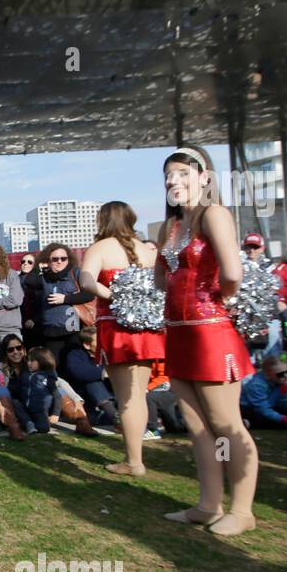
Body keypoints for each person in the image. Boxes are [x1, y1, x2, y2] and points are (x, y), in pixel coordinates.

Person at [156, 145, 258, 536]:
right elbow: (160, 278)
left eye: (182, 173)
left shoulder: (214, 214)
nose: (173, 181)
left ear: (204, 177)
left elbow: (233, 271)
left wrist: (214, 299)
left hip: (211, 332)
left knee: (225, 423)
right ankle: (208, 503)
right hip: (178, 333)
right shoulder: (171, 226)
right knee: (197, 425)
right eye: (168, 175)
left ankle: (243, 509)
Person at [79, 200, 166, 475]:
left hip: (119, 329)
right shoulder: (146, 249)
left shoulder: (100, 248)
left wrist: (113, 295)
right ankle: (135, 456)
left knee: (126, 395)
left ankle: (134, 461)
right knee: (138, 394)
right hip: (148, 329)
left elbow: (86, 281)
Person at [37, 243, 95, 364]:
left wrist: (65, 299)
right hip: (50, 329)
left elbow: (89, 294)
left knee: (73, 365)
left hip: (72, 328)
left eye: (63, 258)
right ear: (48, 260)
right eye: (55, 259)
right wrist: (39, 267)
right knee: (55, 367)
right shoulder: (44, 276)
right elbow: (29, 281)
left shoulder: (75, 273)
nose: (59, 261)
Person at [62, 327, 119, 425]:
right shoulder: (75, 355)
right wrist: (103, 372)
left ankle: (114, 416)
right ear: (87, 345)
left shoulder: (109, 353)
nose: (103, 343)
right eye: (99, 341)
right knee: (92, 382)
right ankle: (116, 418)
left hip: (112, 395)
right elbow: (78, 372)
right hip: (87, 398)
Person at [241, 356, 287, 429]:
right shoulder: (256, 384)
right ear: (267, 375)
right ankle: (252, 423)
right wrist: (284, 418)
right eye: (280, 374)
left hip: (269, 406)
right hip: (251, 408)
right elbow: (262, 409)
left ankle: (252, 423)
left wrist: (285, 393)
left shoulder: (281, 381)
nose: (286, 376)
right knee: (260, 416)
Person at [145, 358, 186, 436]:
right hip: (161, 388)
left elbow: (164, 377)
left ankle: (152, 430)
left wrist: (147, 388)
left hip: (169, 388)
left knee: (149, 397)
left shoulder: (160, 354)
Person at [18, 252, 44, 347]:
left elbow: (44, 304)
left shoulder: (41, 281)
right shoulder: (15, 280)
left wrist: (34, 320)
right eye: (23, 261)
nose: (25, 263)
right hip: (20, 324)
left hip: (38, 324)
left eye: (29, 262)